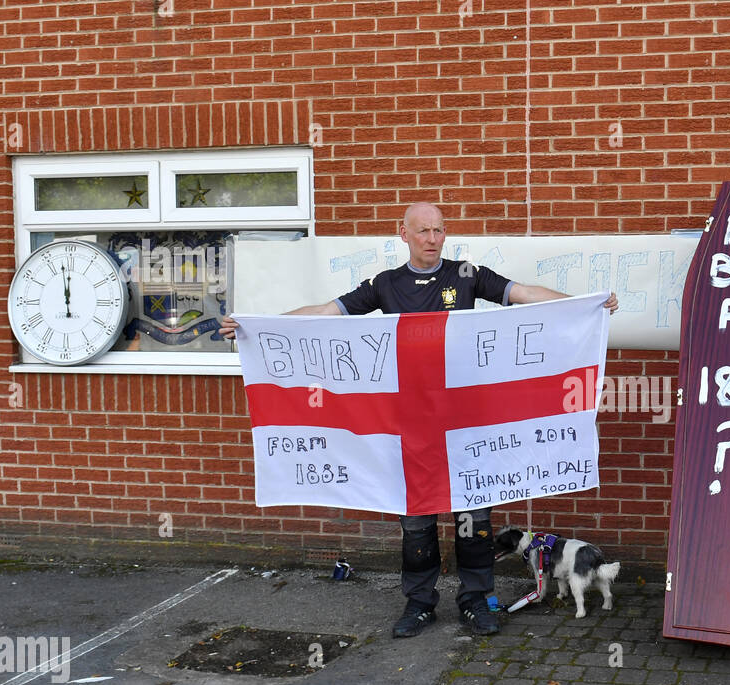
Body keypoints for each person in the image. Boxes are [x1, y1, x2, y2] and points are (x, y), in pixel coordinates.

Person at [222, 202, 618, 639]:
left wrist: (587, 305)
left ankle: (476, 602)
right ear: (404, 234)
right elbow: (325, 314)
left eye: (440, 230)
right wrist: (255, 326)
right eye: (424, 230)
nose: (433, 238)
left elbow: (524, 293)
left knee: (474, 521)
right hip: (410, 429)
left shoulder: (466, 274)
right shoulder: (385, 285)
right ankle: (420, 603)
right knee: (416, 524)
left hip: (467, 424)